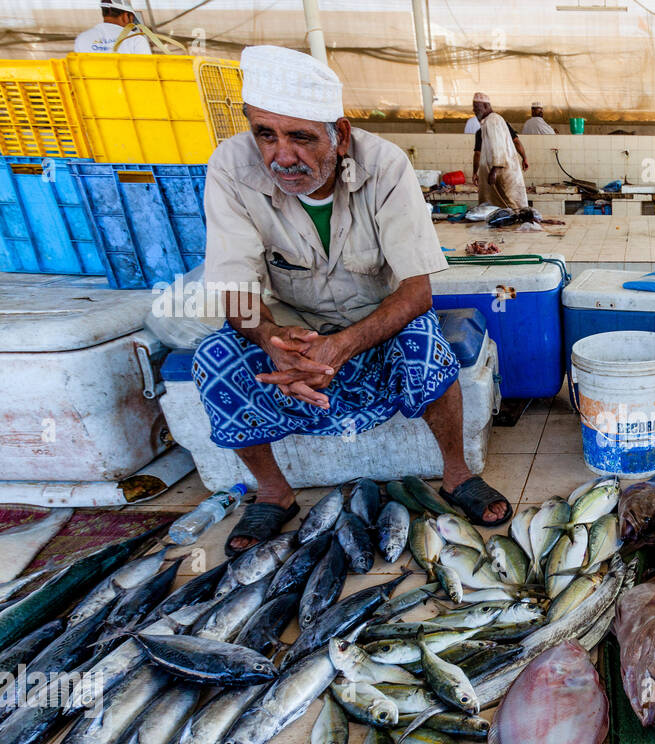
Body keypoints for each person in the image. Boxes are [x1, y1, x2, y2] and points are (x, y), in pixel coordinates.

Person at [194, 46, 513, 555]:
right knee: (215, 357)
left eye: (300, 136)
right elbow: (236, 290)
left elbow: (416, 291)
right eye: (266, 134)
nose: (282, 155)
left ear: (339, 135)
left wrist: (340, 347)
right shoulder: (230, 169)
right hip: (292, 333)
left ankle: (456, 475)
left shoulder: (385, 165)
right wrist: (276, 342)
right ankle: (274, 493)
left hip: (374, 323)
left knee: (428, 342)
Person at [469, 92, 528, 200]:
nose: (474, 110)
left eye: (477, 107)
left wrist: (494, 170)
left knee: (510, 207)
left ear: (486, 106)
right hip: (500, 175)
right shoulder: (490, 122)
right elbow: (516, 142)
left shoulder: (493, 121)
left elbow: (498, 146)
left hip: (501, 175)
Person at [477, 111, 529, 211]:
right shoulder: (504, 126)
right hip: (507, 173)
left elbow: (477, 154)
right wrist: (524, 158)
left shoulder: (482, 131)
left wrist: (475, 172)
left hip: (491, 172)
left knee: (494, 205)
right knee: (511, 204)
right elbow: (517, 142)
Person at [74, 1, 150, 54]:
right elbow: (147, 70)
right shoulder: (136, 39)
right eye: (132, 19)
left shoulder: (82, 38)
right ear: (125, 16)